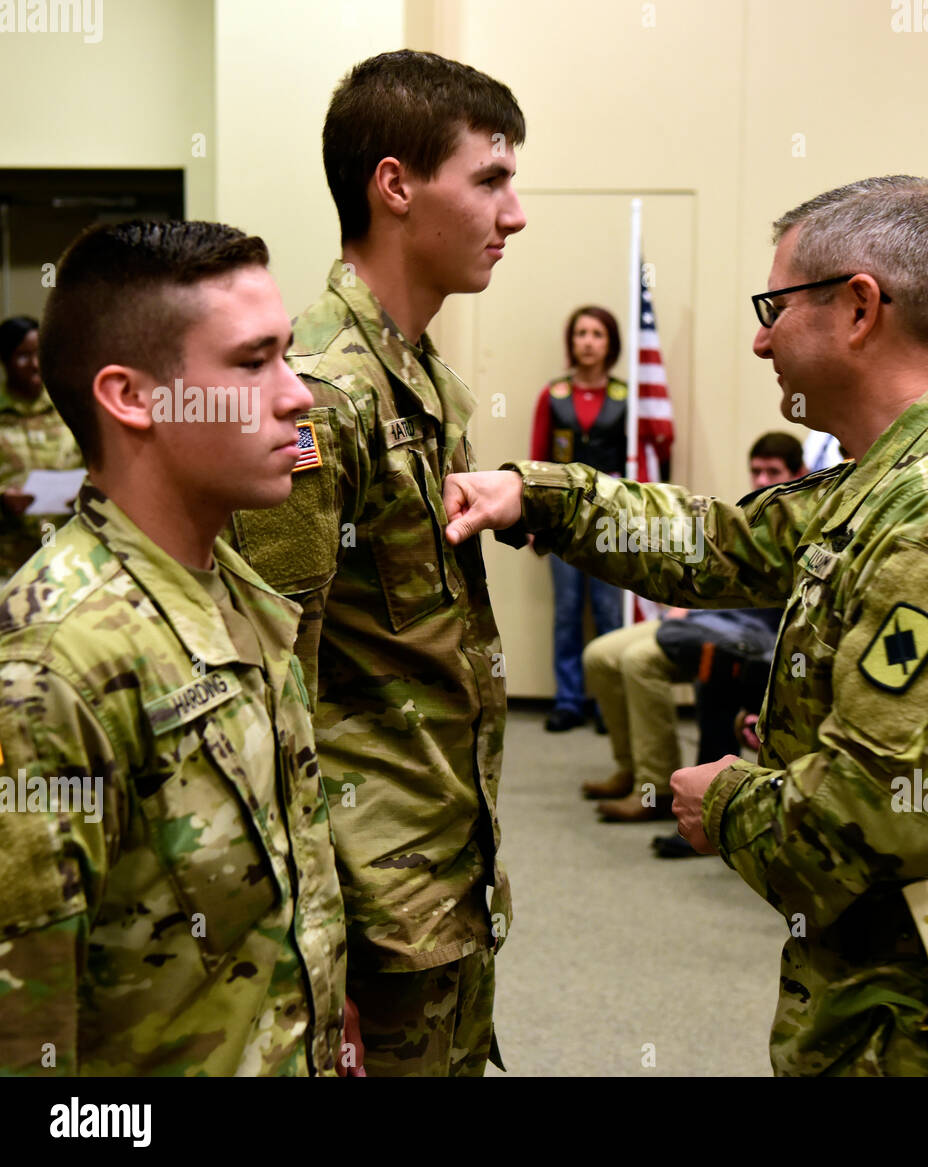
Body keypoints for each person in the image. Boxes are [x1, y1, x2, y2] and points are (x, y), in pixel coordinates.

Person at [443, 176, 928, 1077]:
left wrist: (721, 801)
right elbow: (718, 543)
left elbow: (874, 818)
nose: (760, 335)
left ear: (857, 307)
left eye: (775, 305)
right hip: (915, 982)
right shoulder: (905, 474)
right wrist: (539, 495)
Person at [230, 50, 525, 1077]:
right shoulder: (321, 392)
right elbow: (269, 699)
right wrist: (314, 956)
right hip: (368, 910)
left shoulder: (423, 376)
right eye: (489, 180)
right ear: (394, 185)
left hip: (437, 883)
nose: (515, 212)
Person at [0, 219, 348, 1075]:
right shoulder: (53, 674)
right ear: (132, 397)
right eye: (250, 362)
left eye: (288, 355)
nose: (298, 395)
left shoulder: (235, 588)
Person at [582, 432, 804, 824]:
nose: (761, 479)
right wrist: (684, 603)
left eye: (773, 471)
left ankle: (656, 787)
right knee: (599, 655)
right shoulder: (750, 511)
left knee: (639, 661)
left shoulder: (801, 521)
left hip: (749, 637)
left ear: (798, 473)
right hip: (700, 620)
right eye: (756, 470)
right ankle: (630, 768)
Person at [530, 306, 627, 732]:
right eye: (581, 333)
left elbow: (646, 454)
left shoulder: (629, 398)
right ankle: (569, 700)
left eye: (597, 334)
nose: (588, 341)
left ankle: (610, 703)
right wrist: (533, 519)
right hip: (562, 520)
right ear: (571, 342)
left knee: (608, 611)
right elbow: (536, 459)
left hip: (611, 522)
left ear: (611, 344)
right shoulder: (553, 396)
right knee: (568, 611)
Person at [0, 315, 83, 583]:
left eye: (39, 355)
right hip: (9, 560)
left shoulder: (69, 408)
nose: (35, 365)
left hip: (68, 555)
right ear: (5, 361)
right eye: (23, 357)